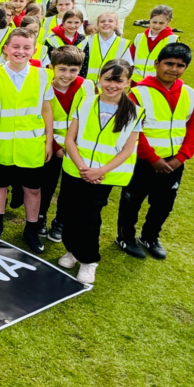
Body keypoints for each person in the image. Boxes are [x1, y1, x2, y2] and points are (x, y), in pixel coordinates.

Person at [58, 60, 142, 284]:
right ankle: (72, 250)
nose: (112, 85)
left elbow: (127, 150)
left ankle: (89, 260)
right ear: (99, 79)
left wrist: (99, 171)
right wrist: (82, 167)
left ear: (128, 82)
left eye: (118, 80)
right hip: (75, 171)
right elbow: (70, 138)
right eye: (108, 79)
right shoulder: (85, 102)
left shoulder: (134, 112)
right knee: (68, 211)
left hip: (103, 177)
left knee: (89, 217)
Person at [117, 43, 194, 261]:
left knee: (164, 204)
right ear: (157, 64)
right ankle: (125, 237)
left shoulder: (189, 94)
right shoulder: (137, 93)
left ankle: (150, 237)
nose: (173, 69)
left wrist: (179, 159)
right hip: (143, 162)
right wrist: (152, 158)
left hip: (174, 164)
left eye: (180, 65)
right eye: (169, 63)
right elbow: (132, 131)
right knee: (132, 202)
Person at [0, 29, 55, 254]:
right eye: (15, 46)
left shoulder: (44, 75)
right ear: (5, 49)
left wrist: (49, 142)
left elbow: (46, 109)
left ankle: (31, 230)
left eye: (26, 48)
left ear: (34, 51)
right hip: (2, 144)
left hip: (31, 145)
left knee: (32, 190)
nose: (20, 51)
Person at [39, 46, 88, 245]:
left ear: (80, 69)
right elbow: (40, 119)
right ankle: (40, 216)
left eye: (73, 70)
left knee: (70, 188)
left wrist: (72, 147)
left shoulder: (87, 87)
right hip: (51, 146)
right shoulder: (44, 87)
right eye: (62, 69)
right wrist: (57, 146)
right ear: (52, 67)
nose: (67, 75)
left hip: (76, 148)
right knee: (46, 184)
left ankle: (60, 220)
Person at [130, 5, 178, 84]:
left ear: (168, 22)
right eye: (154, 22)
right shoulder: (139, 37)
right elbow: (130, 60)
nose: (157, 26)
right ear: (150, 20)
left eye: (161, 23)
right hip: (136, 82)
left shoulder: (172, 40)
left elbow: (173, 65)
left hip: (158, 83)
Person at [82, 10, 132, 82]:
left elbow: (126, 67)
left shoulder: (123, 43)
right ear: (97, 24)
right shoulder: (87, 40)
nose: (106, 23)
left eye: (110, 21)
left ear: (117, 24)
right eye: (102, 21)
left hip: (111, 85)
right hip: (87, 83)